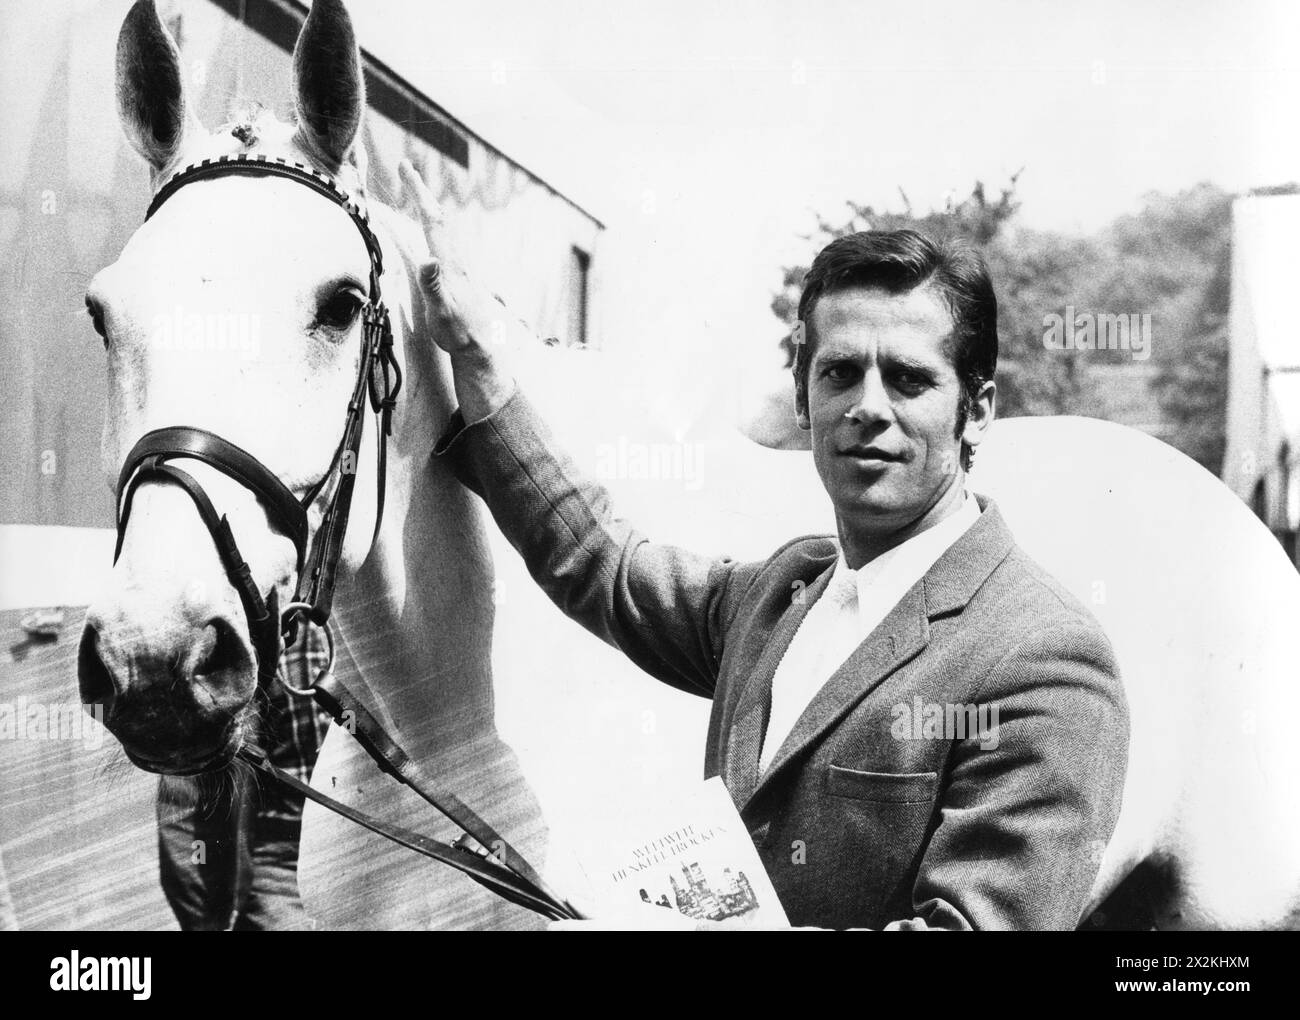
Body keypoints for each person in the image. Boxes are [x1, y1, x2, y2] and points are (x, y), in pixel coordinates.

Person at [400, 163, 1128, 930]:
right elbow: (603, 565)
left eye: (910, 380)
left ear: (975, 411)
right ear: (807, 399)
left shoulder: (1044, 659)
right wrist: (480, 361)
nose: (868, 408)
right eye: (841, 372)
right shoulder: (785, 591)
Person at [156, 628, 330, 931]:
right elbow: (191, 800)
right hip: (288, 869)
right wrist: (205, 921)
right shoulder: (243, 644)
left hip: (391, 855)